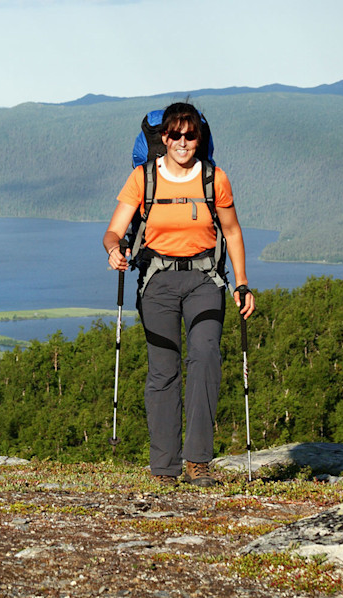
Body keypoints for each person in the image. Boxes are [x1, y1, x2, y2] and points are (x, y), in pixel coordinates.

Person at [101, 102, 255, 487]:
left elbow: (232, 231)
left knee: (205, 357)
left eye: (190, 135)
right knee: (163, 370)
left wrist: (242, 282)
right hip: (157, 282)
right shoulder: (143, 178)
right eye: (174, 135)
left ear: (199, 138)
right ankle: (164, 467)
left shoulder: (215, 179)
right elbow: (113, 230)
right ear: (163, 138)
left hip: (205, 280)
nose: (182, 143)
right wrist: (114, 249)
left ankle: (198, 461)